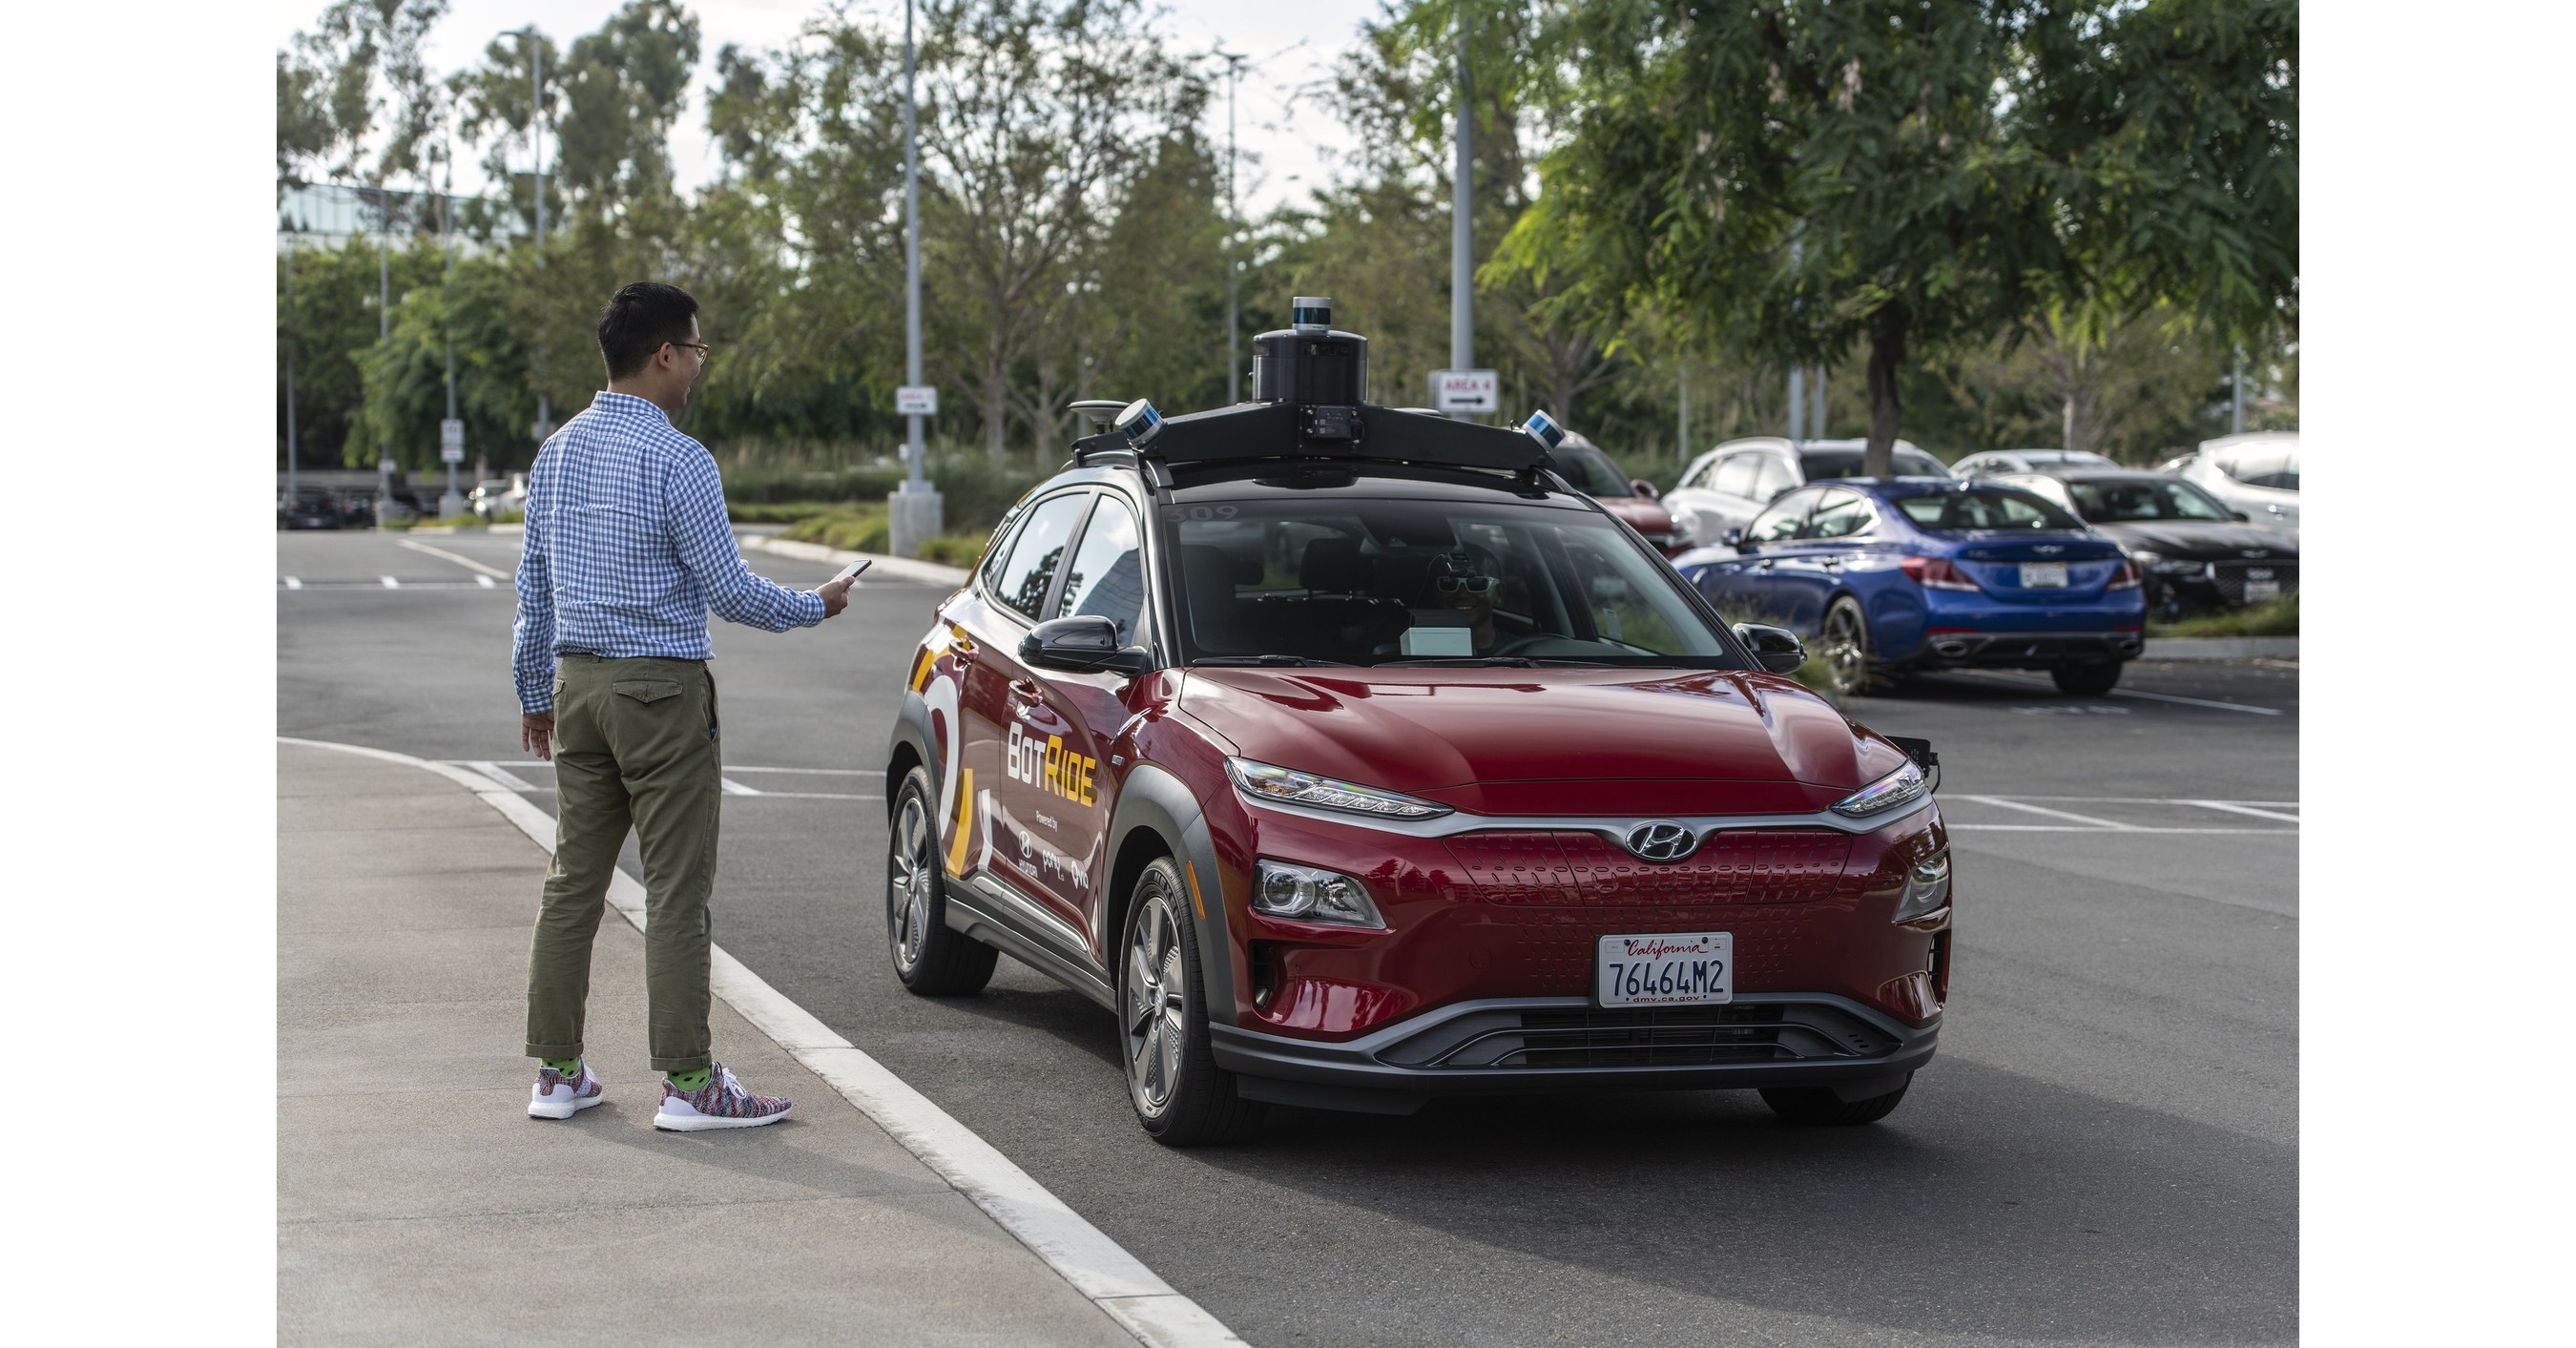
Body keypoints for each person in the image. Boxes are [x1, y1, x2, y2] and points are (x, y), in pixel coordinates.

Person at [510, 282, 857, 1131]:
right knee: (674, 891)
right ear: (664, 353)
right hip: (661, 693)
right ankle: (690, 1083)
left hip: (577, 689)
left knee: (573, 884)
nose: (698, 366)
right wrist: (819, 603)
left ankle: (557, 1073)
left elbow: (533, 588)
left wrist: (532, 691)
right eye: (696, 351)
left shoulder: (555, 452)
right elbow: (730, 591)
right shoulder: (679, 458)